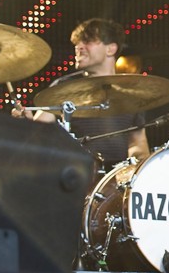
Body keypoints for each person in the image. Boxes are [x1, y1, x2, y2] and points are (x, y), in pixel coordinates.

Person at [12, 17, 151, 169]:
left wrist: (134, 168)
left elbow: (138, 144)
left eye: (88, 41)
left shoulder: (130, 94)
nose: (79, 47)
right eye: (77, 43)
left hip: (116, 183)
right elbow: (38, 131)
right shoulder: (64, 87)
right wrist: (27, 123)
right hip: (74, 175)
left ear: (111, 49)